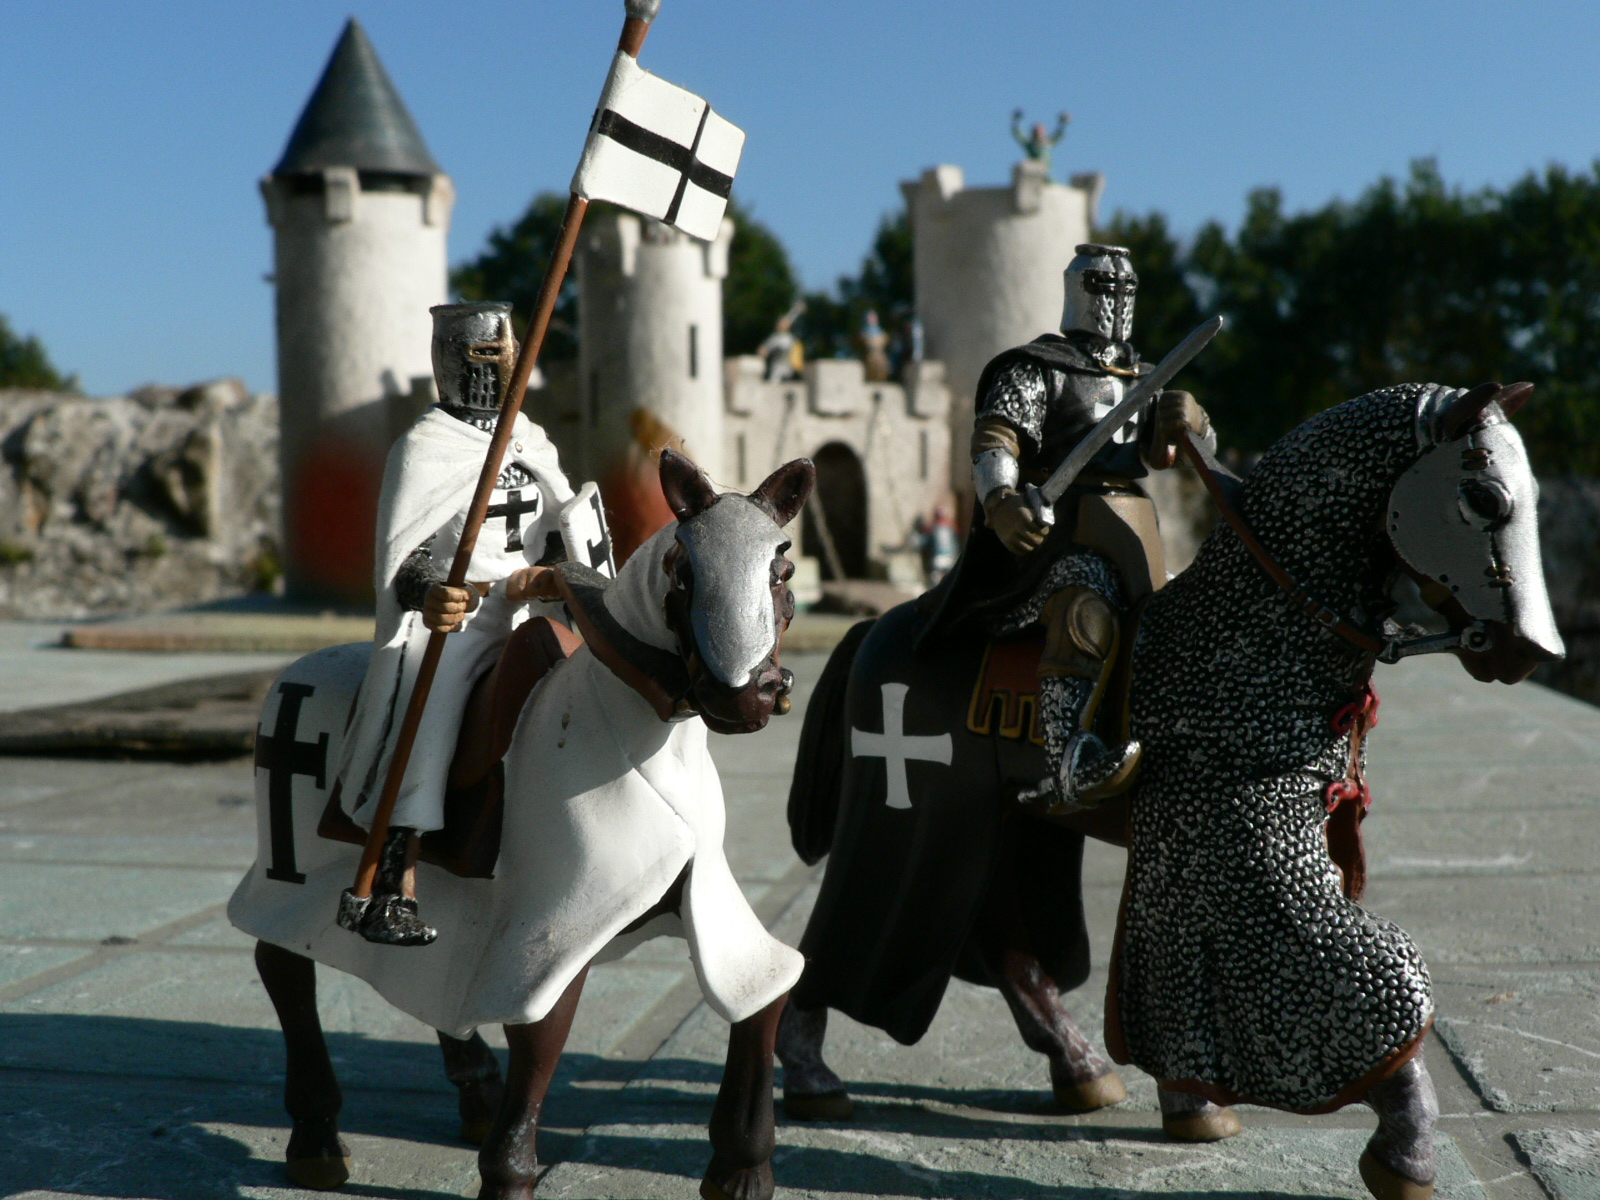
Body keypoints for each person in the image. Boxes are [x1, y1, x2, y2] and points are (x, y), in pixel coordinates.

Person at [923, 244, 1214, 809]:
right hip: (1053, 537)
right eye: (1104, 290)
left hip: (1133, 529)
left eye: (1125, 292)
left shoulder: (1147, 379)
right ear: (1077, 291)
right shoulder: (1037, 369)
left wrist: (1193, 421)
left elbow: (1171, 455)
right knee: (1086, 604)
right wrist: (1002, 501)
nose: (1115, 303)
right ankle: (1069, 759)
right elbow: (996, 439)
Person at [334, 301, 574, 945]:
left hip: (530, 606)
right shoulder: (426, 449)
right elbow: (403, 557)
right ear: (460, 359)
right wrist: (432, 592)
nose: (508, 361)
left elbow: (563, 532)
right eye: (494, 353)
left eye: (513, 348)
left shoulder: (531, 439)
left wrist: (551, 572)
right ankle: (393, 883)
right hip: (460, 620)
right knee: (428, 713)